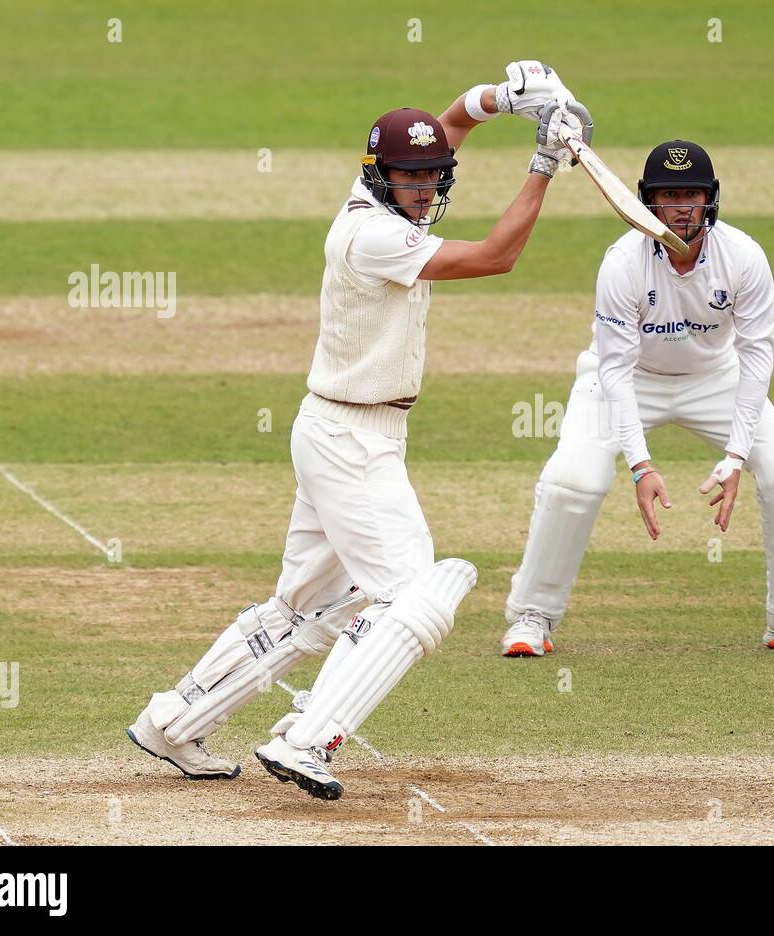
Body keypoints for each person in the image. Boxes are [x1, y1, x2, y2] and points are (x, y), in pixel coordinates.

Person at [127, 61, 591, 800]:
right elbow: (496, 257)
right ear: (378, 178)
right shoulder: (373, 236)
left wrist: (500, 100)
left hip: (340, 430)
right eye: (410, 180)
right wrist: (544, 161)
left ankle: (173, 722)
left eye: (434, 178)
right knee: (420, 593)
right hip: (351, 441)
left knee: (311, 609)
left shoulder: (385, 196)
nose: (425, 191)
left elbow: (448, 130)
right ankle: (310, 740)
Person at [500, 140, 774, 659]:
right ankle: (533, 615)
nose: (681, 207)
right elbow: (613, 369)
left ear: (710, 200)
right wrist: (640, 467)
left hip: (714, 376)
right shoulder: (622, 262)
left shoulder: (743, 257)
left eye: (691, 194)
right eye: (668, 195)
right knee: (574, 482)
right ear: (647, 203)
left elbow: (756, 359)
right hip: (628, 377)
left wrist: (737, 455)